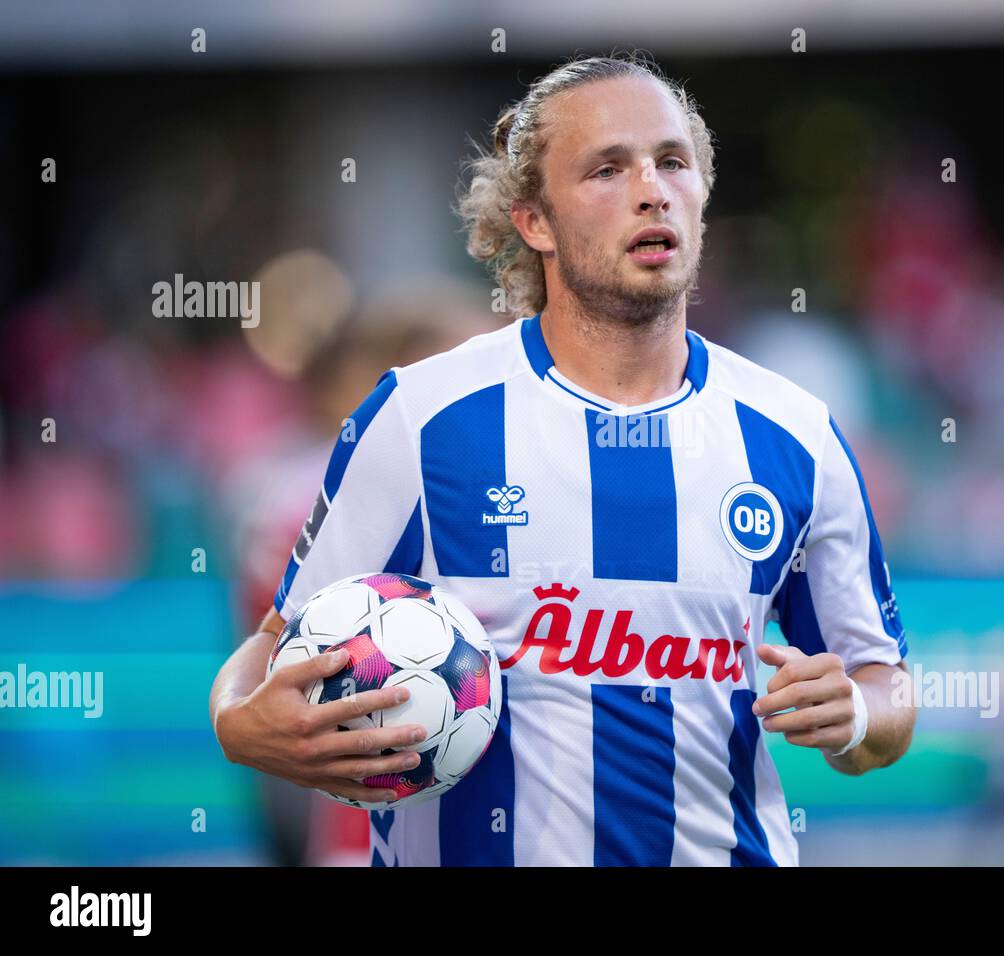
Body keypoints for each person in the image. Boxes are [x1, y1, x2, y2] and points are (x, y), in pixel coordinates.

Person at [210, 52, 914, 867]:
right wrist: (238, 723)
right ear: (533, 221)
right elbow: (274, 644)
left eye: (672, 162)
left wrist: (858, 717)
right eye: (607, 169)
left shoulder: (795, 433)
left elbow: (885, 684)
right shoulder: (420, 417)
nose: (652, 189)